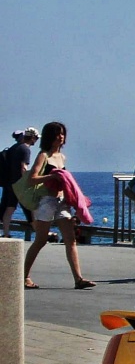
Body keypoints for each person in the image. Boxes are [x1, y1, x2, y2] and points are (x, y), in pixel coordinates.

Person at [22, 122, 94, 289]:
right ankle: (24, 276)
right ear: (49, 136)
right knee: (40, 240)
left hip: (62, 202)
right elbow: (31, 179)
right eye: (57, 134)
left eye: (62, 134)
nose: (61, 137)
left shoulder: (62, 157)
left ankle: (78, 279)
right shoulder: (44, 156)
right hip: (47, 201)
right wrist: (52, 177)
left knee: (71, 240)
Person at [2, 127, 38, 238]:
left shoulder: (13, 148)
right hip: (19, 184)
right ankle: (40, 233)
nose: (36, 141)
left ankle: (6, 233)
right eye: (36, 138)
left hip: (9, 182)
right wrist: (27, 183)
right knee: (31, 207)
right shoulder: (25, 149)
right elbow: (23, 167)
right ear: (32, 138)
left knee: (9, 208)